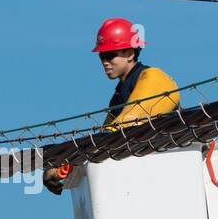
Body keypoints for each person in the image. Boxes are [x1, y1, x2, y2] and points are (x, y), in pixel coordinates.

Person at [42, 17, 180, 195]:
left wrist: (67, 160)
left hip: (168, 171)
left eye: (110, 55)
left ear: (130, 53)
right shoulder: (119, 96)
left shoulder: (154, 77)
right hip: (145, 175)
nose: (105, 61)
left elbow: (122, 128)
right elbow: (105, 136)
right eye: (102, 56)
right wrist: (64, 163)